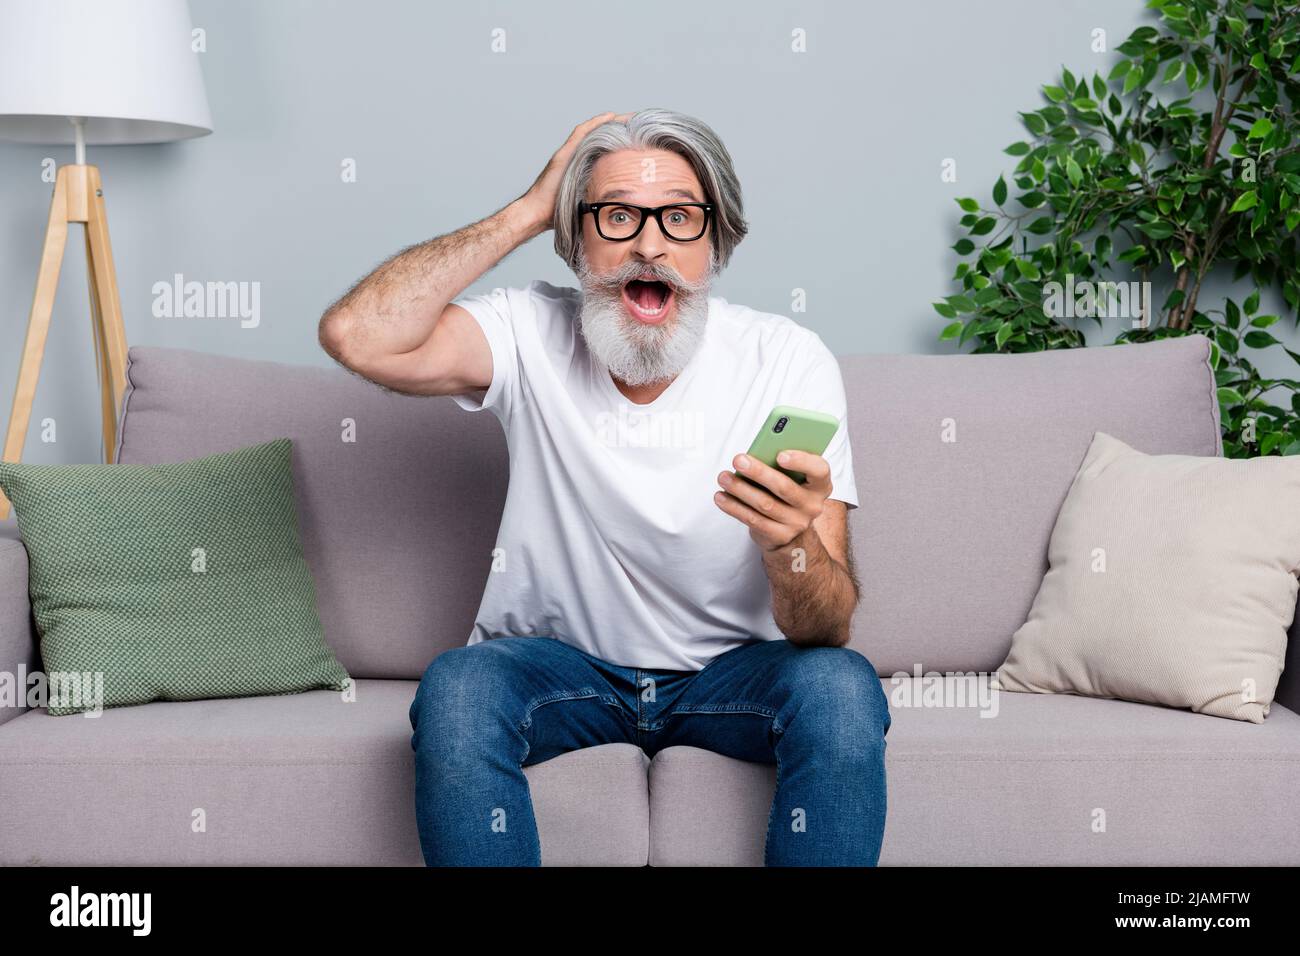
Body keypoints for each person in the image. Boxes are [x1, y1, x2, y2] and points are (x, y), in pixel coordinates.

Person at [317, 108, 891, 866]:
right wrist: (527, 210)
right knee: (459, 687)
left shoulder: (787, 360)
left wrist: (790, 545)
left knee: (841, 687)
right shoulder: (525, 332)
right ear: (576, 239)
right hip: (561, 669)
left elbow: (826, 627)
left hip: (728, 676)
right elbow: (355, 335)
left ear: (715, 243)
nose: (648, 246)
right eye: (617, 216)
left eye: (680, 219)